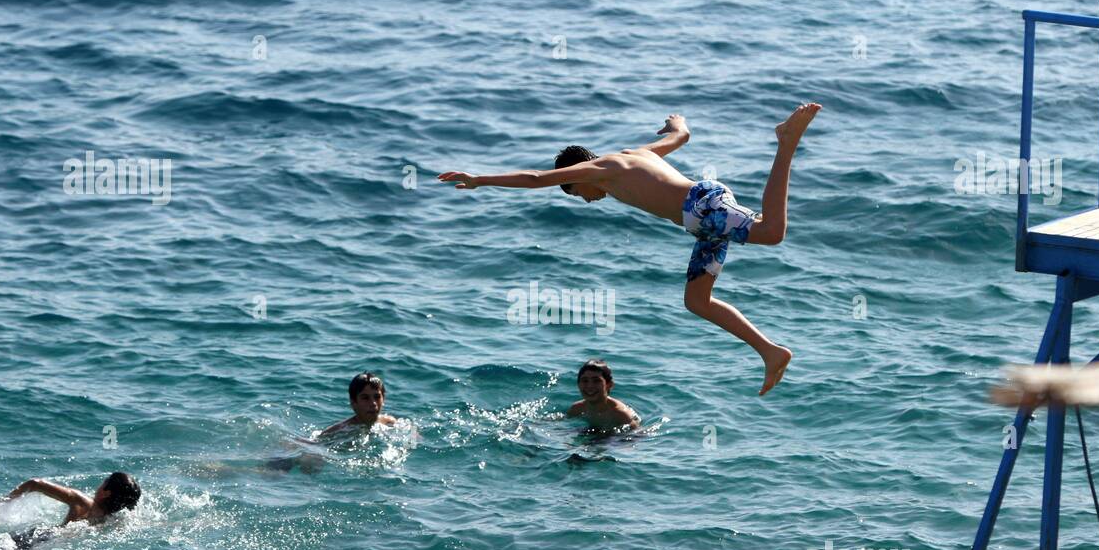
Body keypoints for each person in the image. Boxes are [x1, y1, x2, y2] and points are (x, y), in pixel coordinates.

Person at [438, 104, 821, 394]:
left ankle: (786, 142)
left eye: (576, 193)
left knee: (771, 233)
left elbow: (536, 178)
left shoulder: (601, 169)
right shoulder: (636, 154)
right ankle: (771, 352)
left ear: (578, 173)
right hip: (700, 222)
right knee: (697, 301)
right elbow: (680, 138)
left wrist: (481, 180)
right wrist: (677, 123)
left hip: (702, 207)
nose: (586, 199)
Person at [5, 471, 141, 550]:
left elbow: (34, 484)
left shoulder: (84, 503)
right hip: (45, 548)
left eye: (105, 481)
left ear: (106, 493)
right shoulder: (114, 519)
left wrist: (4, 503)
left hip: (37, 539)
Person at [316, 371, 397, 439]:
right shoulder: (337, 432)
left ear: (384, 399)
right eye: (365, 398)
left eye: (377, 397)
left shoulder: (390, 423)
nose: (373, 403)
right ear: (353, 402)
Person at [566, 359, 639, 432]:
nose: (590, 386)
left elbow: (637, 436)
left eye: (596, 381)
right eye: (585, 381)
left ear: (609, 385)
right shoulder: (576, 409)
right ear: (578, 385)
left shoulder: (621, 415)